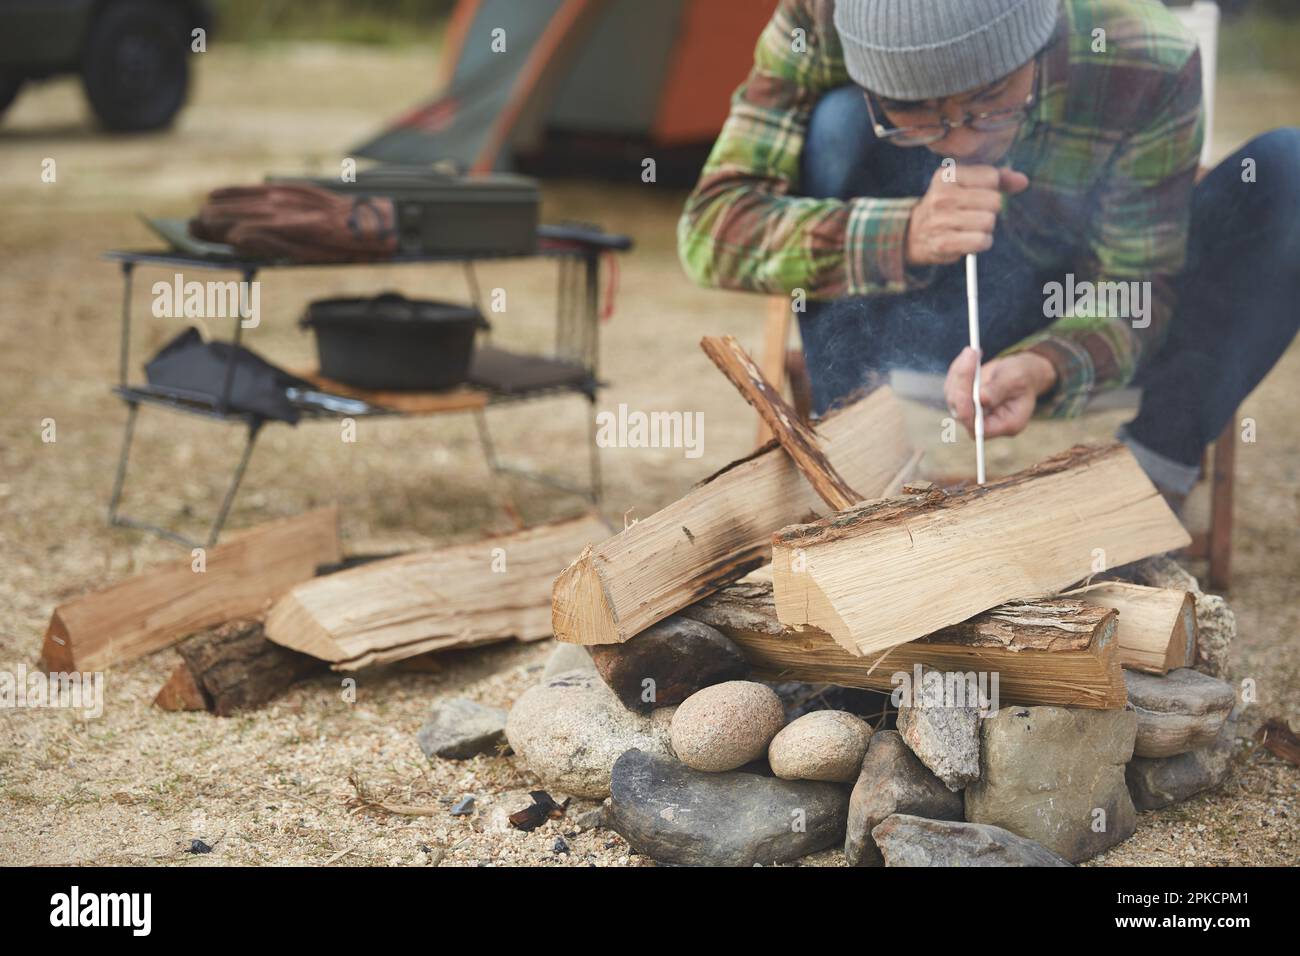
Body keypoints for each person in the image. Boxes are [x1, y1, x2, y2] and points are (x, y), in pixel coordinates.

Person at [678, 0, 1300, 505]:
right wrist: (904, 233)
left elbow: (1140, 289)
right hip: (908, 311)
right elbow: (712, 228)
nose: (962, 141)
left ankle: (1142, 493)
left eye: (991, 101)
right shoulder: (819, 21)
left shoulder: (1141, 55)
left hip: (1070, 306)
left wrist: (1045, 362)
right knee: (838, 124)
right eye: (914, 114)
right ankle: (859, 478)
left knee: (1288, 171)